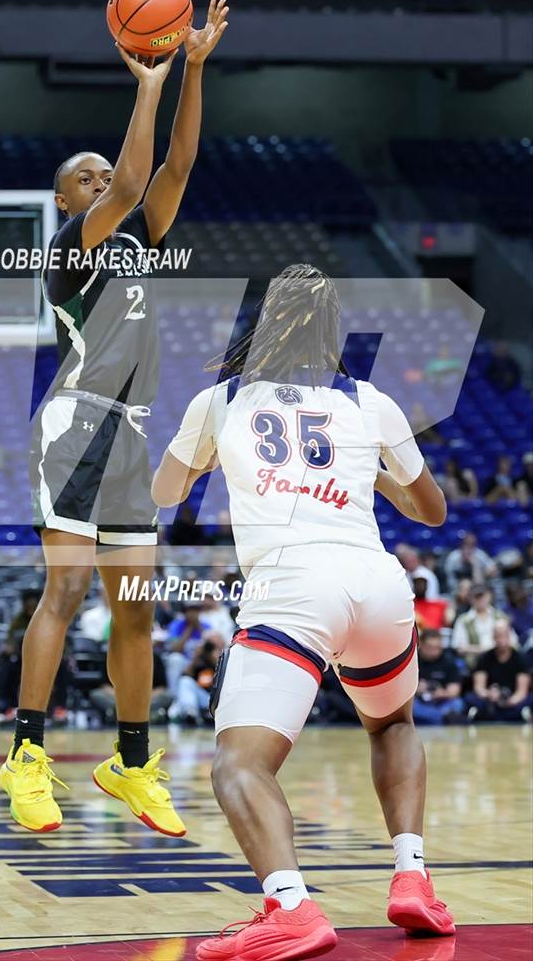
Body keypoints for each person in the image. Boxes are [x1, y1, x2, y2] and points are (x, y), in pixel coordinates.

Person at [152, 265, 454, 958]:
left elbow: (167, 491)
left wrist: (210, 459)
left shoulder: (220, 399)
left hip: (293, 584)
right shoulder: (369, 401)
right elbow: (432, 511)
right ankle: (412, 877)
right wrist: (360, 468)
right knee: (393, 723)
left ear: (262, 325)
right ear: (333, 328)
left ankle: (289, 905)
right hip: (378, 582)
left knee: (239, 765)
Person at [0, 0, 229, 838]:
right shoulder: (69, 250)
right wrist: (148, 84)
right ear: (65, 198)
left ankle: (129, 764)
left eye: (103, 176)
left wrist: (194, 69)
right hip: (76, 425)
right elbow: (134, 178)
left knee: (135, 605)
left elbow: (174, 167)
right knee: (64, 589)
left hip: (130, 432)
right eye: (87, 178)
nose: (104, 183)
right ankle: (26, 756)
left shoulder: (134, 243)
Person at [465, 621, 531, 722]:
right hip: (490, 700)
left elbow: (522, 691)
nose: (502, 640)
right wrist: (488, 694)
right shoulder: (485, 658)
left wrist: (510, 701)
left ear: (509, 636)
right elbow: (479, 687)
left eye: (504, 635)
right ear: (493, 637)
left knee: (529, 699)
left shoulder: (520, 658)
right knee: (470, 698)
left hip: (513, 700)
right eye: (498, 636)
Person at [451, 584, 511, 668]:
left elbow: (513, 642)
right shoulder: (463, 620)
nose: (480, 600)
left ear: (489, 596)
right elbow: (460, 648)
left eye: (483, 596)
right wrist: (486, 650)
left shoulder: (500, 616)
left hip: (501, 660)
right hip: (476, 662)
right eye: (476, 597)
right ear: (470, 598)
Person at [169, 635, 225, 725]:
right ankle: (191, 714)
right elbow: (186, 676)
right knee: (185, 681)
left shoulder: (225, 658)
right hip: (199, 698)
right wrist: (196, 657)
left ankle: (203, 715)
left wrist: (217, 659)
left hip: (215, 700)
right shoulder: (200, 662)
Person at [412, 631, 464, 726]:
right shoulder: (412, 661)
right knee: (410, 707)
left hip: (442, 701)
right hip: (420, 701)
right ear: (421, 645)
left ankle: (436, 718)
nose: (434, 651)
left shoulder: (449, 662)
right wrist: (414, 688)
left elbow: (454, 690)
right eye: (430, 647)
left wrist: (442, 693)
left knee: (458, 704)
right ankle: (442, 719)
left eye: (438, 648)